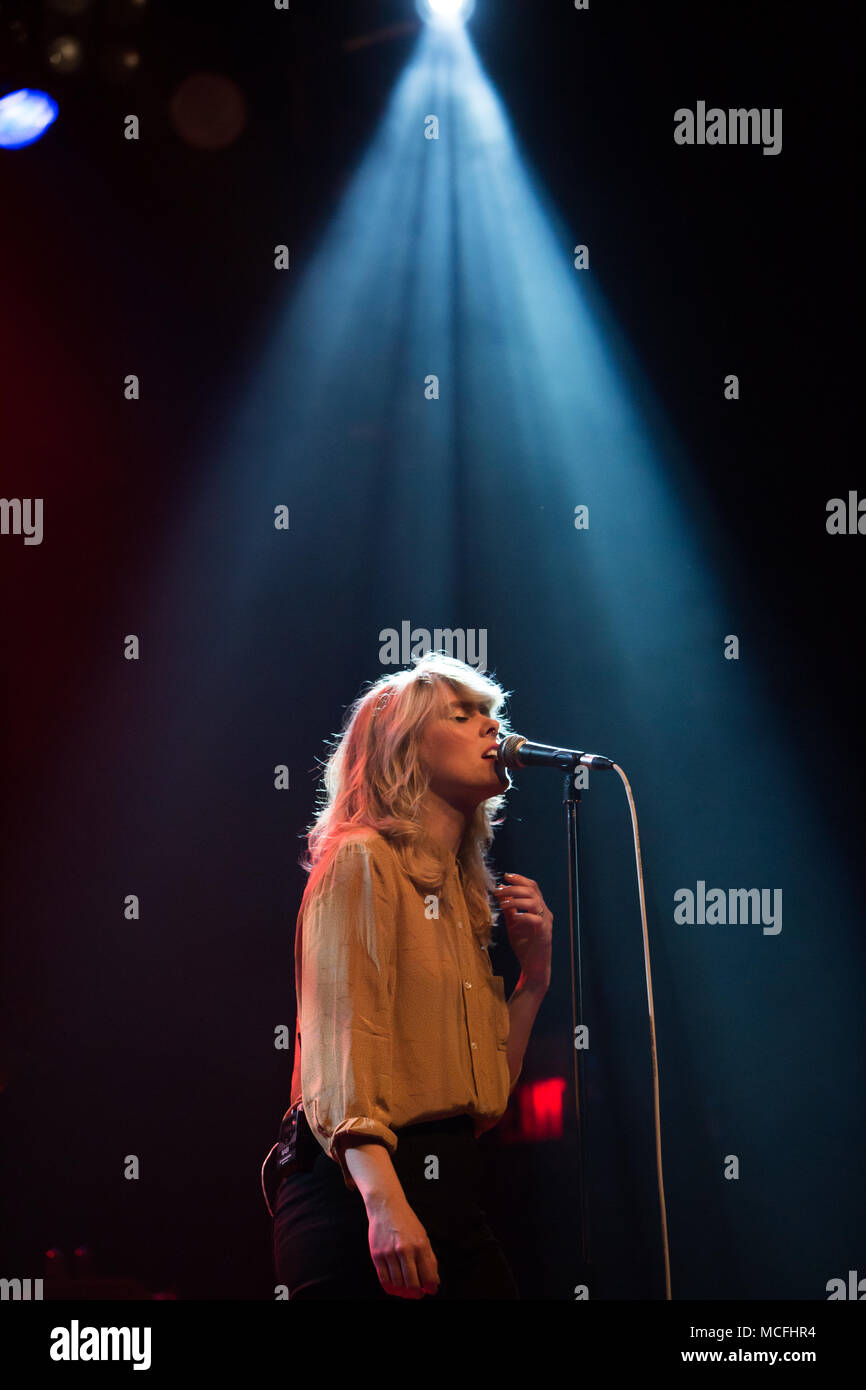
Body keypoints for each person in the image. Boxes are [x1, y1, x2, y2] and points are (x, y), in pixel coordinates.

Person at [261, 651, 553, 1299]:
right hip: (361, 1192)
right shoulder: (362, 860)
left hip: (448, 1188)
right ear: (404, 748)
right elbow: (343, 1052)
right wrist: (384, 1206)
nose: (490, 727)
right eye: (464, 713)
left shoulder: (459, 892)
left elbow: (484, 1099)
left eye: (490, 712)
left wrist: (533, 980)